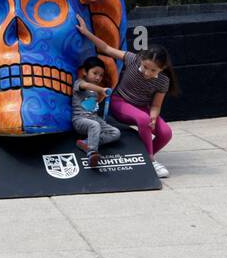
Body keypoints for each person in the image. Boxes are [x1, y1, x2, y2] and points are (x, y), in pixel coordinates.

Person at [75, 16, 178, 178]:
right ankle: (151, 160)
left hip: (141, 109)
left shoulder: (163, 81)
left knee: (166, 133)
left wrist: (153, 116)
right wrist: (86, 32)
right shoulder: (132, 59)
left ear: (162, 69)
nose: (147, 72)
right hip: (120, 103)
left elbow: (156, 105)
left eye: (153, 70)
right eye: (145, 67)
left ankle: (143, 157)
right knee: (143, 119)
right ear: (141, 60)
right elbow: (107, 48)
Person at [71, 56, 120, 168]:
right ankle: (92, 152)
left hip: (94, 119)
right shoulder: (79, 83)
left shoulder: (95, 92)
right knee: (95, 125)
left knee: (115, 132)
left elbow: (92, 108)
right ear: (84, 72)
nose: (98, 77)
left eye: (101, 75)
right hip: (80, 120)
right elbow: (86, 85)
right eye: (95, 73)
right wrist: (102, 90)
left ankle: (88, 142)